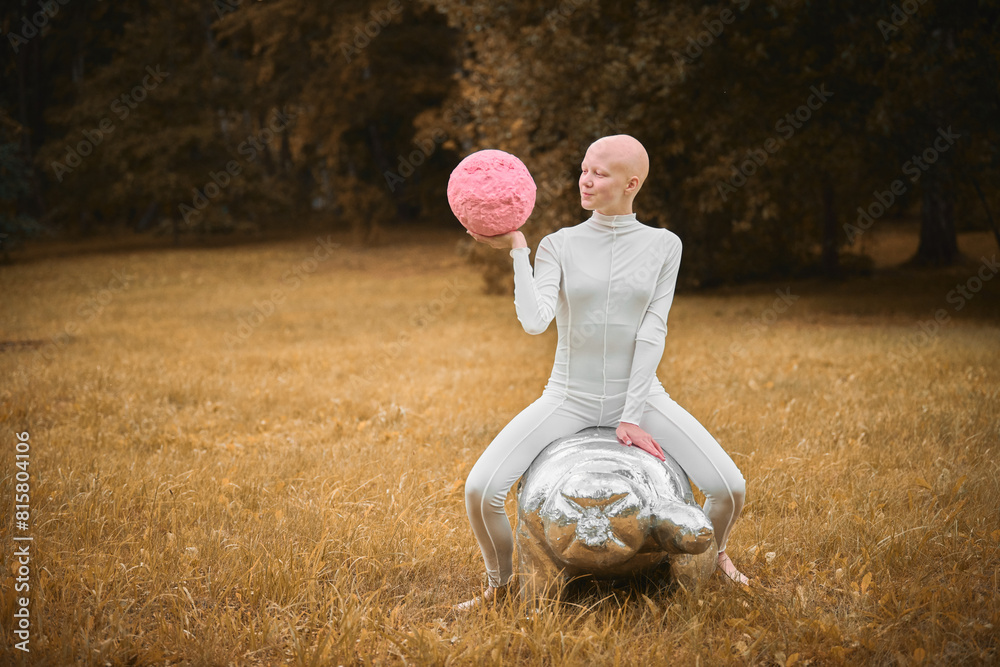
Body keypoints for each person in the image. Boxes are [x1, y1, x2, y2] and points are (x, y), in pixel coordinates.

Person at [456, 135, 748, 611]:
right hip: (568, 397)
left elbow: (653, 331)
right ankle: (500, 586)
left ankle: (711, 556)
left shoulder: (663, 246)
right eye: (584, 169)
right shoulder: (559, 244)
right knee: (480, 489)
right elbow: (535, 322)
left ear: (631, 183)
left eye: (600, 173)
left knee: (729, 489)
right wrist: (517, 249)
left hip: (642, 398)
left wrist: (632, 414)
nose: (586, 180)